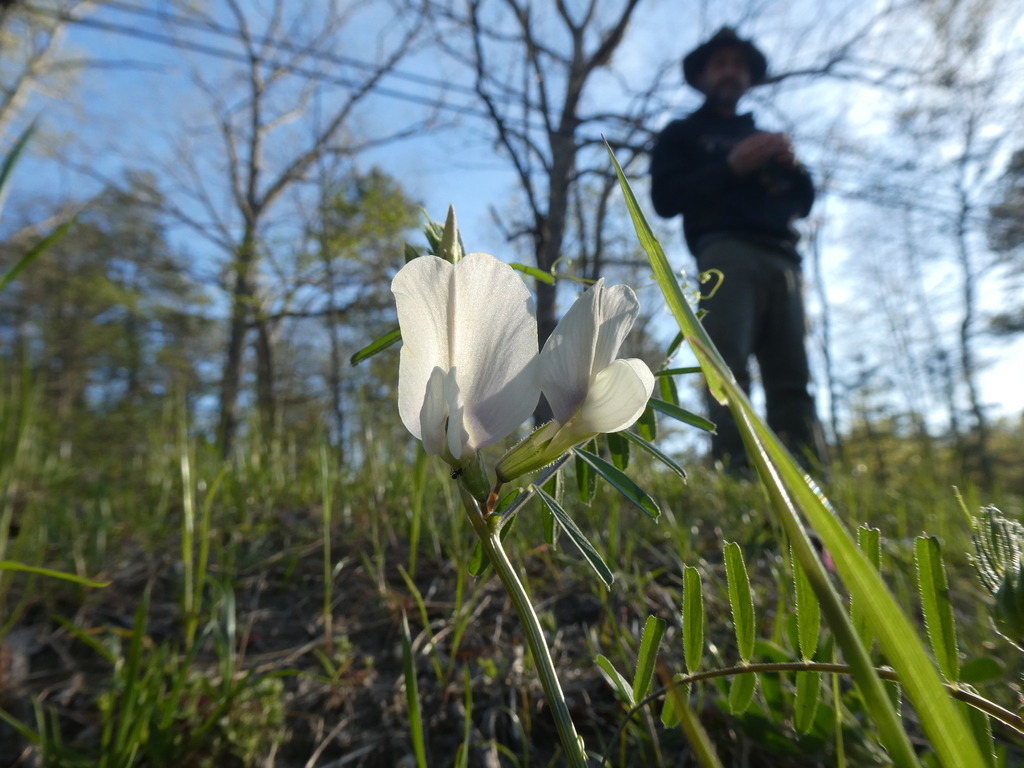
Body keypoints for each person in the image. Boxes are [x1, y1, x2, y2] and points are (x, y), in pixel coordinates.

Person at [649, 26, 828, 473]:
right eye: (720, 63)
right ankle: (741, 474)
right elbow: (665, 199)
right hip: (724, 251)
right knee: (727, 370)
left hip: (784, 258)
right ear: (704, 75)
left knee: (793, 375)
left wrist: (793, 168)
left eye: (739, 65)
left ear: (749, 77)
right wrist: (730, 166)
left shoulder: (766, 138)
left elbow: (802, 201)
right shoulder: (682, 134)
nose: (730, 72)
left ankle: (810, 477)